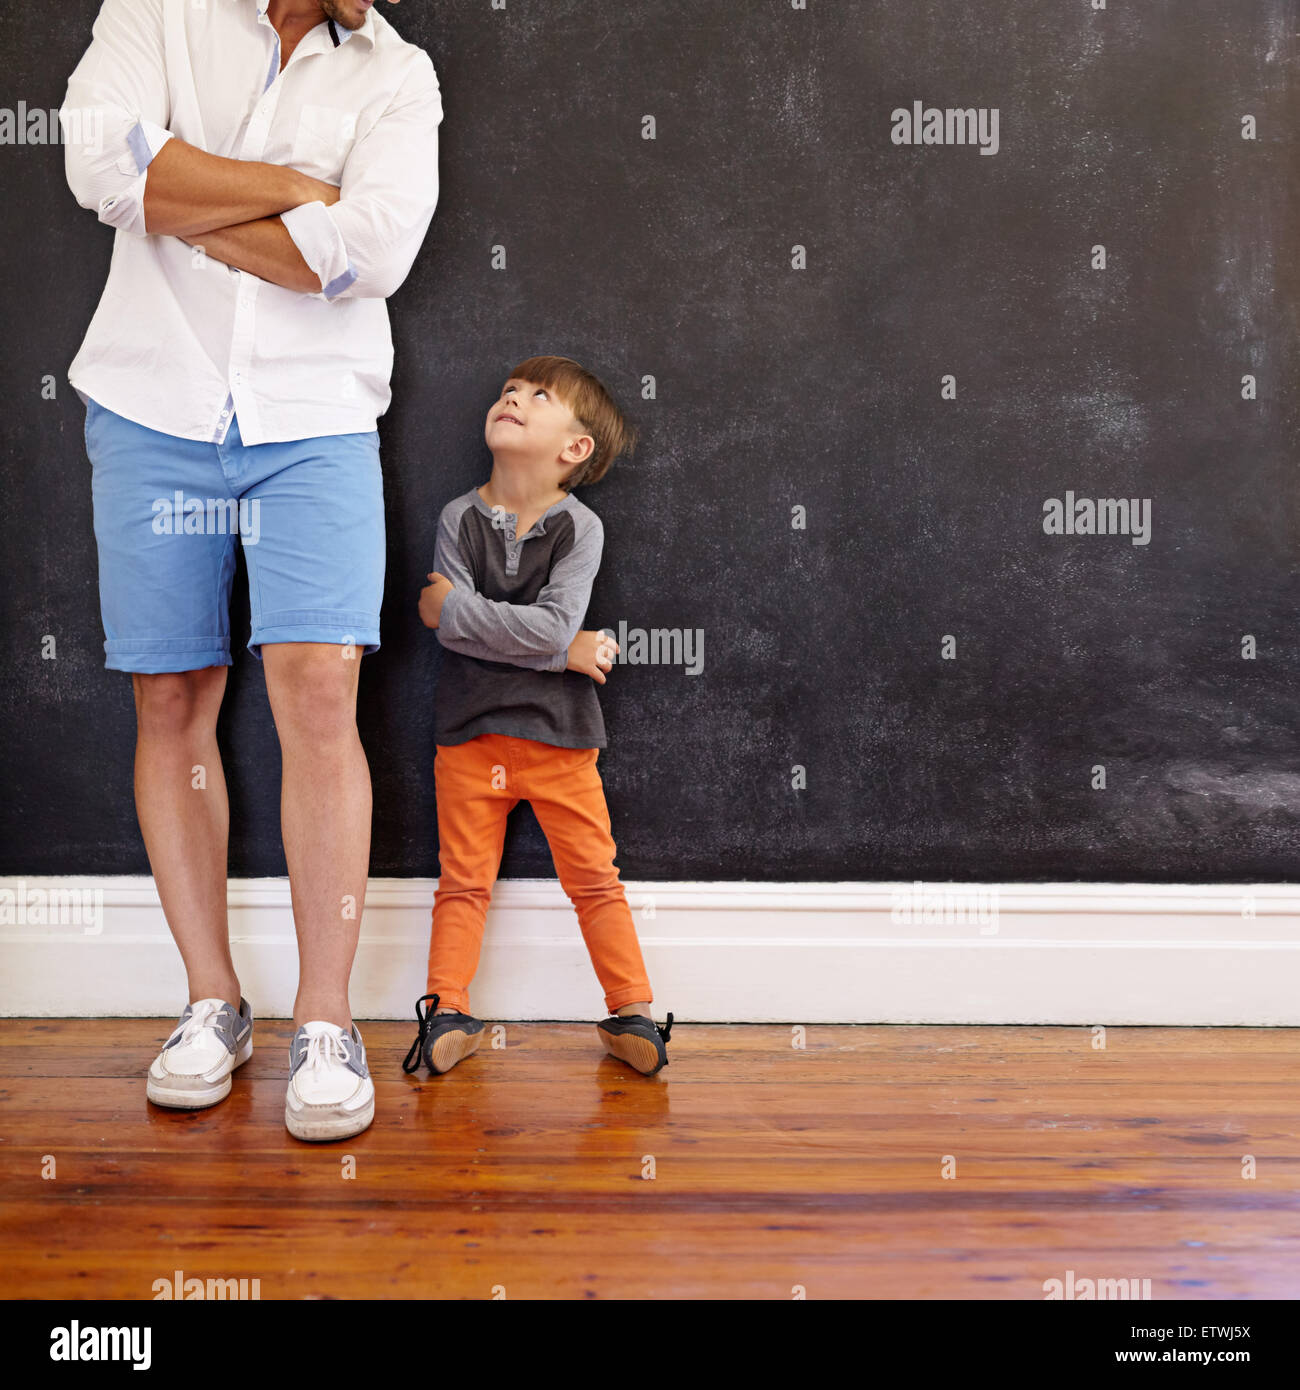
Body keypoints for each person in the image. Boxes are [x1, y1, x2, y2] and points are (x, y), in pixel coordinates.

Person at [58, 0, 442, 1142]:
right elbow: (99, 164)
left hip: (316, 422)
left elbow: (371, 254)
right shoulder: (153, 9)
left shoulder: (400, 73)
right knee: (169, 694)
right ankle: (211, 1002)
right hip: (148, 406)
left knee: (321, 689)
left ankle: (325, 1023)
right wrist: (296, 193)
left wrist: (185, 191)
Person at [404, 355, 674, 1081]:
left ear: (575, 448)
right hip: (467, 736)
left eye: (537, 396)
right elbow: (528, 633)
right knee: (462, 881)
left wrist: (460, 611)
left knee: (594, 878)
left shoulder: (579, 528)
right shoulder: (459, 518)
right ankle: (446, 1009)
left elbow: (470, 618)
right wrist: (563, 651)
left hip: (561, 742)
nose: (513, 398)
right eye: (508, 391)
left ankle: (634, 1011)